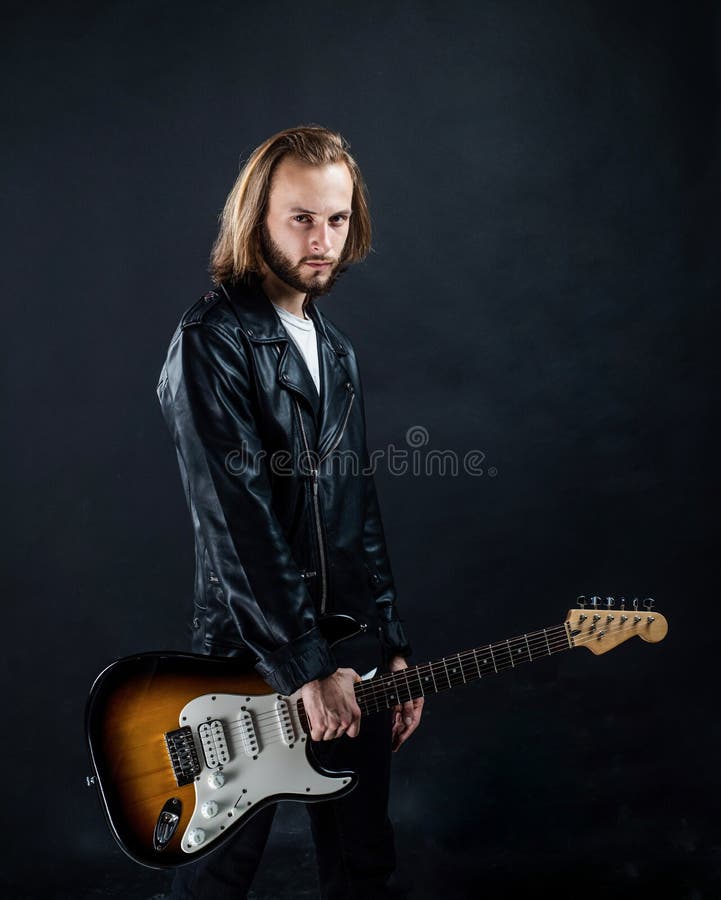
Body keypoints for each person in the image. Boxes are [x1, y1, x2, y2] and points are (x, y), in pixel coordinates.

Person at [156, 124, 423, 899]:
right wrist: (303, 667)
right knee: (218, 872)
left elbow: (357, 513)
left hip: (350, 651)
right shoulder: (211, 341)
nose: (322, 241)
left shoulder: (335, 352)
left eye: (336, 219)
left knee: (363, 864)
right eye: (301, 218)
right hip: (252, 656)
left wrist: (391, 647)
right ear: (257, 219)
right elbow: (235, 522)